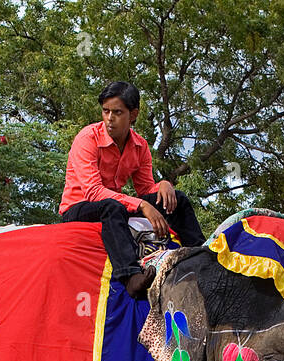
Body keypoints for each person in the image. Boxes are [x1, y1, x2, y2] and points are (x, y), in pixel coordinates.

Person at [59, 81, 206, 298]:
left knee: (178, 198)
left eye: (117, 112)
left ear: (133, 114)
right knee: (112, 206)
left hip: (115, 205)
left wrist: (164, 185)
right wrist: (141, 204)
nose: (110, 118)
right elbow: (92, 192)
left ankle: (201, 254)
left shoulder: (140, 146)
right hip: (78, 208)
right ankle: (130, 276)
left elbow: (145, 187)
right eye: (106, 111)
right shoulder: (87, 139)